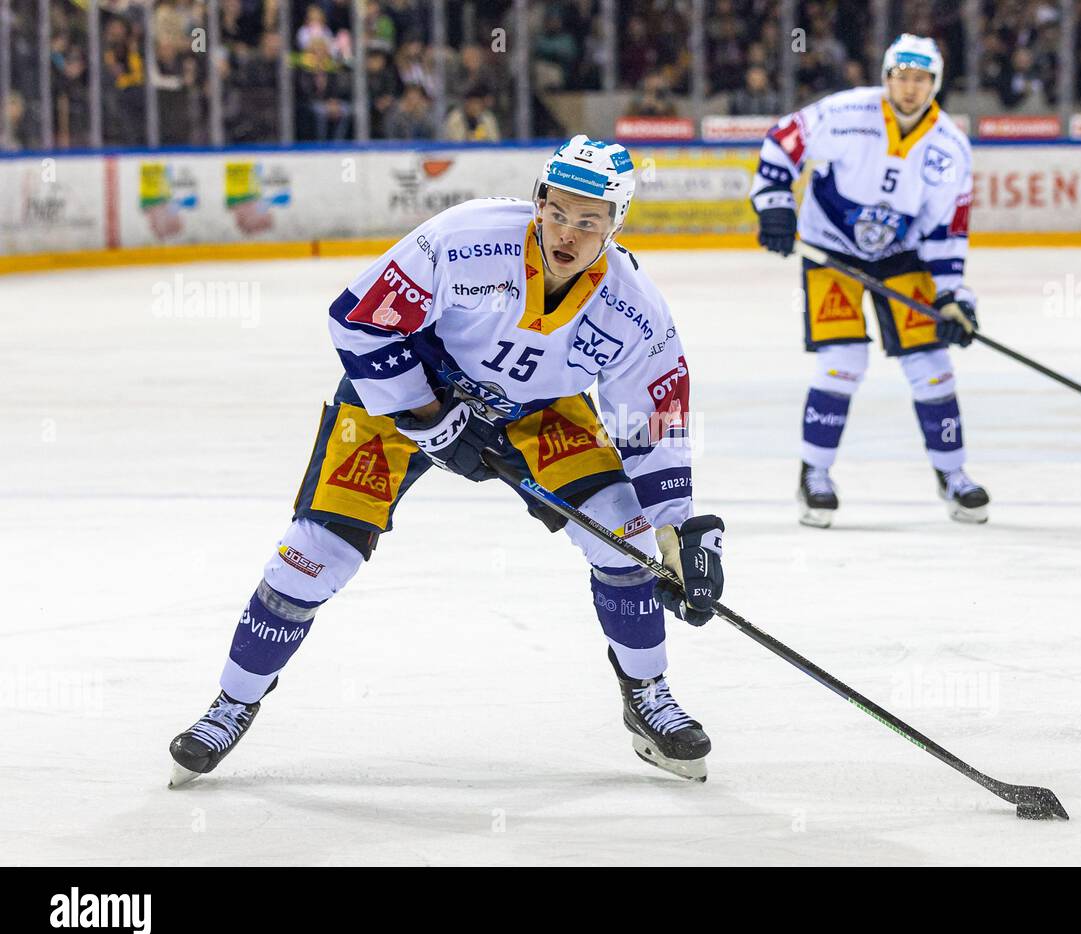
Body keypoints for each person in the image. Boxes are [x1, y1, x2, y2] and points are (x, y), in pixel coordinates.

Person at [169, 137, 725, 785]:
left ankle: (646, 693)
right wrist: (432, 420)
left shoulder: (634, 308)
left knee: (625, 538)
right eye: (557, 212)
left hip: (538, 410)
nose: (566, 233)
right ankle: (232, 701)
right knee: (318, 549)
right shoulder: (466, 239)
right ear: (538, 201)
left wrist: (676, 531)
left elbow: (655, 419)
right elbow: (361, 322)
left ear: (615, 223)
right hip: (409, 390)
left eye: (588, 220)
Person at [750, 34, 989, 527]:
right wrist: (774, 202)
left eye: (920, 78)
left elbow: (947, 230)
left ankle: (953, 474)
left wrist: (952, 296)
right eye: (901, 76)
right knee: (842, 360)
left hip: (903, 257)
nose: (909, 87)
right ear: (886, 77)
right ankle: (814, 475)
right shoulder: (846, 112)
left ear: (935, 84)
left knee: (932, 363)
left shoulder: (950, 148)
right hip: (830, 249)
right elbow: (783, 139)